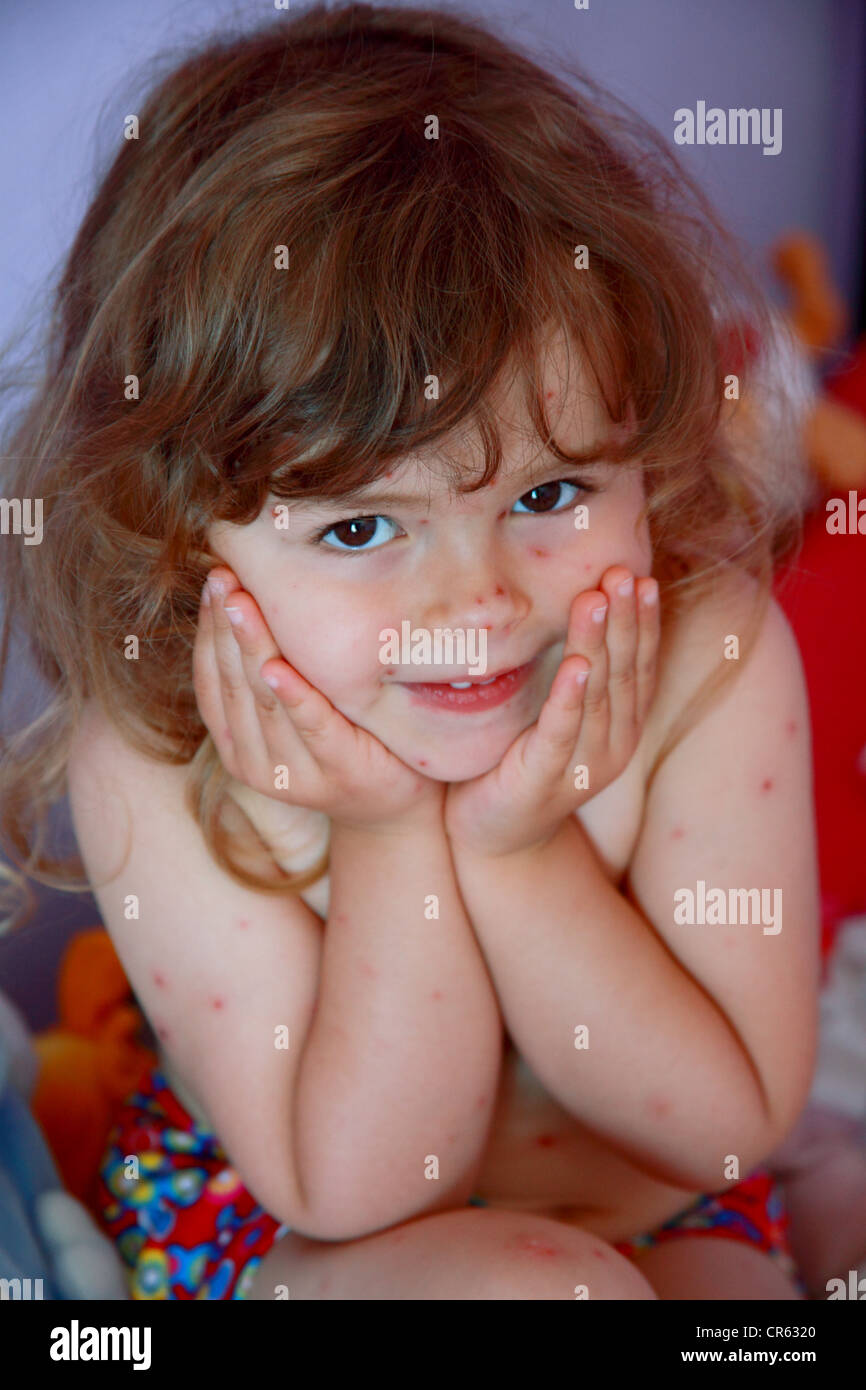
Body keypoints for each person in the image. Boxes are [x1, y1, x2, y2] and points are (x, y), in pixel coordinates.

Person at [0, 3, 819, 1300]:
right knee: (547, 1287)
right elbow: (361, 1181)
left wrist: (521, 849)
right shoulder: (158, 740)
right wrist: (392, 841)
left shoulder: (699, 654)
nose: (476, 598)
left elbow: (730, 1121)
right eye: (364, 525)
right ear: (177, 531)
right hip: (289, 1241)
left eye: (549, 496)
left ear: (638, 444)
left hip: (661, 1199)